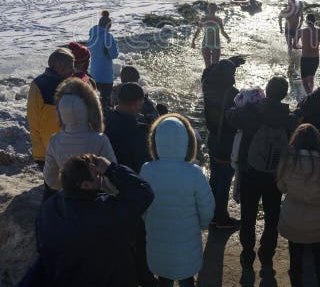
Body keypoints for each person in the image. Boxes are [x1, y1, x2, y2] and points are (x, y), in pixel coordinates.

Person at [31, 154, 154, 286]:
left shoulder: (48, 209)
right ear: (86, 185)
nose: (101, 176)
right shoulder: (106, 211)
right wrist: (111, 169)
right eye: (97, 175)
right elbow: (143, 193)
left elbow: (42, 248)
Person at [226, 76, 298, 286]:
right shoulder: (289, 118)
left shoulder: (252, 112)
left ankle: (247, 256)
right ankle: (267, 254)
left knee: (248, 215)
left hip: (250, 173)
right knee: (272, 216)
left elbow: (230, 116)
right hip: (275, 175)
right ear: (284, 94)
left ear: (267, 90)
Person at [140, 114, 215, 287]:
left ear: (156, 142)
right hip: (186, 246)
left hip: (158, 240)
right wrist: (202, 224)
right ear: (186, 142)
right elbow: (207, 207)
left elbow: (142, 207)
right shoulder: (194, 172)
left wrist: (149, 222)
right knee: (187, 278)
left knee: (163, 278)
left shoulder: (147, 170)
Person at [276, 124, 320, 287]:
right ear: (318, 141)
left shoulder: (288, 160)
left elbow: (281, 187)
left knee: (295, 257)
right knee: (319, 256)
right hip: (318, 224)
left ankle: (296, 283)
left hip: (292, 220)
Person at [104, 82, 156, 286]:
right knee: (138, 242)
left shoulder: (104, 121)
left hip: (107, 187)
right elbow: (144, 161)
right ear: (136, 104)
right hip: (131, 188)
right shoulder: (140, 130)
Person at [42, 78, 116, 199]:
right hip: (95, 199)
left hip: (69, 200)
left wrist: (67, 187)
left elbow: (50, 178)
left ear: (60, 113)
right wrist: (101, 187)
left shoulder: (55, 140)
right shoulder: (100, 140)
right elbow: (112, 177)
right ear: (89, 110)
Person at [202, 56, 245, 229]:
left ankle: (211, 213)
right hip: (226, 142)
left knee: (215, 176)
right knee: (224, 180)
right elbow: (238, 119)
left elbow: (209, 71)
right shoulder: (232, 94)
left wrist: (229, 62)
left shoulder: (207, 85)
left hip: (212, 138)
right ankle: (221, 217)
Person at [27, 48, 75, 165]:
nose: (72, 70)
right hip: (47, 151)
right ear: (58, 67)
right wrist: (40, 151)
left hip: (70, 149)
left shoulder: (70, 83)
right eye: (69, 67)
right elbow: (33, 119)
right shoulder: (40, 84)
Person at [88, 10, 119, 108]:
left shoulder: (92, 35)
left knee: (94, 102)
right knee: (105, 104)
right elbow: (114, 54)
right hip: (105, 75)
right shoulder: (107, 36)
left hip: (93, 73)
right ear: (109, 26)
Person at [295, 13, 320, 94]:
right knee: (311, 78)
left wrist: (301, 47)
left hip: (305, 59)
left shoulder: (300, 32)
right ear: (315, 21)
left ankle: (309, 96)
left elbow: (294, 45)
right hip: (315, 59)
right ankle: (311, 95)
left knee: (304, 80)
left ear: (306, 21)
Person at [191, 2, 230, 67]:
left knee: (215, 66)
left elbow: (222, 31)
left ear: (216, 9)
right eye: (211, 8)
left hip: (216, 45)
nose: (212, 9)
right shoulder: (203, 19)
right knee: (208, 67)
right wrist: (193, 41)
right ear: (208, 9)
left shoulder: (219, 20)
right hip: (206, 44)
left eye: (214, 8)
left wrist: (228, 38)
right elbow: (198, 31)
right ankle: (207, 77)